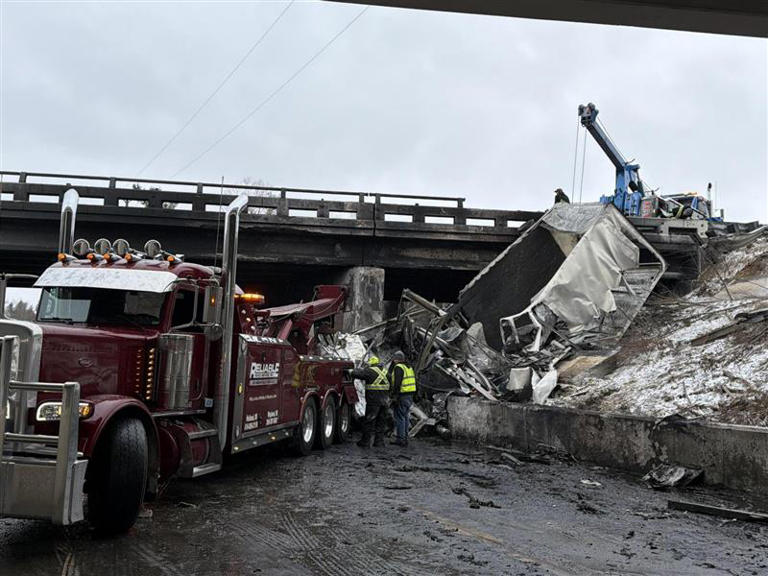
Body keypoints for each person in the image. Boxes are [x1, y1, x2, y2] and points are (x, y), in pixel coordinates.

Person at [352, 356, 390, 448]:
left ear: (371, 364)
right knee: (381, 422)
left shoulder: (370, 371)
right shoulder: (386, 372)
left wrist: (355, 369)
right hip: (385, 401)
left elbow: (356, 374)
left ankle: (365, 442)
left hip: (373, 401)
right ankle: (379, 442)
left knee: (369, 421)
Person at [388, 350, 416, 447]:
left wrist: (394, 396)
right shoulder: (408, 367)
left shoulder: (398, 367)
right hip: (410, 394)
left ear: (396, 359)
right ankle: (405, 438)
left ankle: (400, 439)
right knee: (405, 416)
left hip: (402, 395)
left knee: (399, 417)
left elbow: (397, 383)